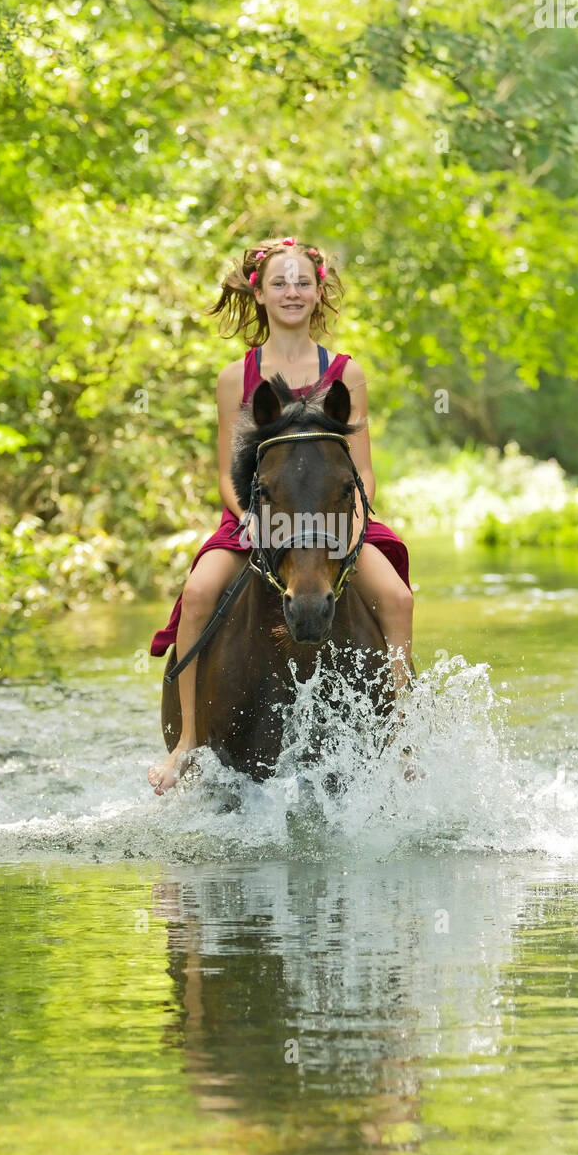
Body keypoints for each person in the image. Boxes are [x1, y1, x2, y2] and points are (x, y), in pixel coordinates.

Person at [147, 236, 414, 795]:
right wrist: (249, 516)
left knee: (396, 598)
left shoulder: (347, 373)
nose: (292, 292)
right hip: (259, 515)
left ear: (319, 292)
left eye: (302, 282)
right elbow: (227, 470)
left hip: (335, 518)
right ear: (260, 293)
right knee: (197, 596)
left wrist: (354, 520)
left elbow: (361, 470)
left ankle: (405, 741)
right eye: (280, 283)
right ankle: (186, 743)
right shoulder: (233, 376)